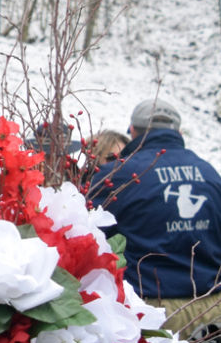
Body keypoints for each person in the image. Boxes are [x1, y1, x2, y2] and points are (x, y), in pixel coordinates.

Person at [90, 97, 221, 329]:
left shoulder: (118, 176)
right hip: (212, 305)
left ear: (132, 131)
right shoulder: (211, 175)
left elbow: (89, 237)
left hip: (152, 311)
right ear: (179, 132)